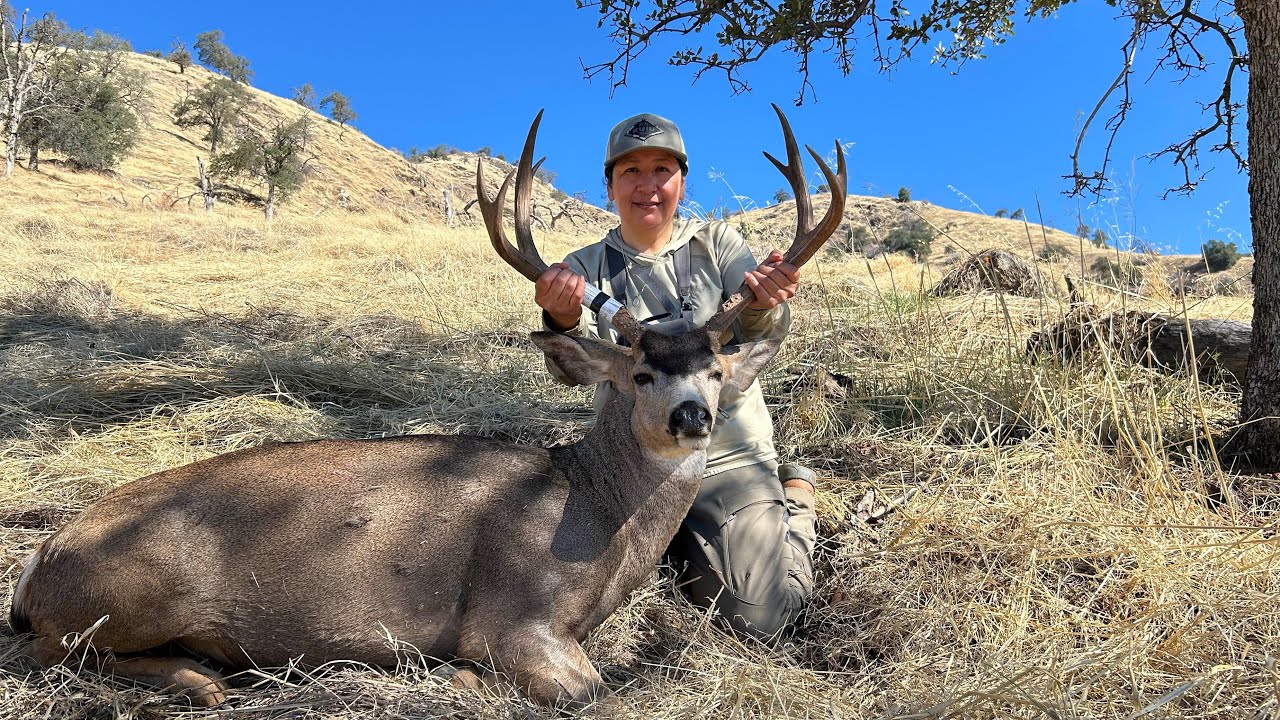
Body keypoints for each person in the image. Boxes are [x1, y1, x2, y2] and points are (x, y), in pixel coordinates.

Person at [534, 112, 818, 642]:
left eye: (661, 169)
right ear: (610, 185)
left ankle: (796, 502)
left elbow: (763, 325)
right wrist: (561, 319)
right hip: (622, 462)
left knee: (758, 620)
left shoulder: (718, 245)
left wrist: (765, 297)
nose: (647, 185)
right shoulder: (583, 265)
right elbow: (566, 367)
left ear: (682, 180)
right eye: (631, 171)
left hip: (724, 457)